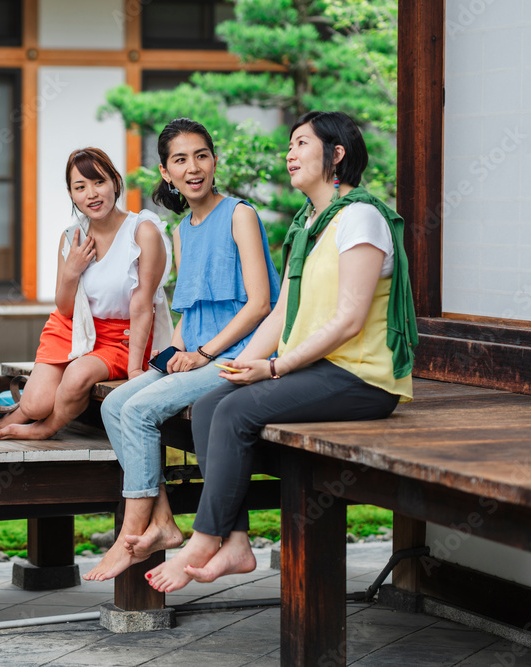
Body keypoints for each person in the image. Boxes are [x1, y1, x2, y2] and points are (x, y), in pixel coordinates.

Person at [146, 111, 419, 593]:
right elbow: (280, 314)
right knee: (210, 405)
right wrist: (241, 363)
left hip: (361, 378)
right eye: (289, 145)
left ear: (336, 154)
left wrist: (274, 366)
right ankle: (236, 542)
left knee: (236, 412)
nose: (290, 154)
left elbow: (350, 319)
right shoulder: (308, 223)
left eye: (301, 144)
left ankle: (202, 540)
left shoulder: (360, 217)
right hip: (316, 370)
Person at [84, 118, 281, 581]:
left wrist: (204, 355)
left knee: (139, 412)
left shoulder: (239, 214)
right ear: (166, 171)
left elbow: (260, 304)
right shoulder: (180, 231)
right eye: (180, 160)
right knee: (114, 404)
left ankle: (132, 533)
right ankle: (163, 521)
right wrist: (163, 361)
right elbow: (187, 313)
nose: (193, 168)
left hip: (238, 355)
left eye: (201, 156)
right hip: (196, 354)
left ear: (214, 161)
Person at [0, 147, 171, 440]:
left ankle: (45, 428)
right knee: (35, 404)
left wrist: (134, 369)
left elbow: (142, 305)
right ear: (71, 194)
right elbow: (64, 308)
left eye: (99, 182)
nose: (91, 194)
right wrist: (72, 270)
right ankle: (21, 411)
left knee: (77, 376)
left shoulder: (142, 231)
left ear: (115, 182)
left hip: (123, 337)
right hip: (72, 327)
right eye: (80, 187)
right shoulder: (71, 236)